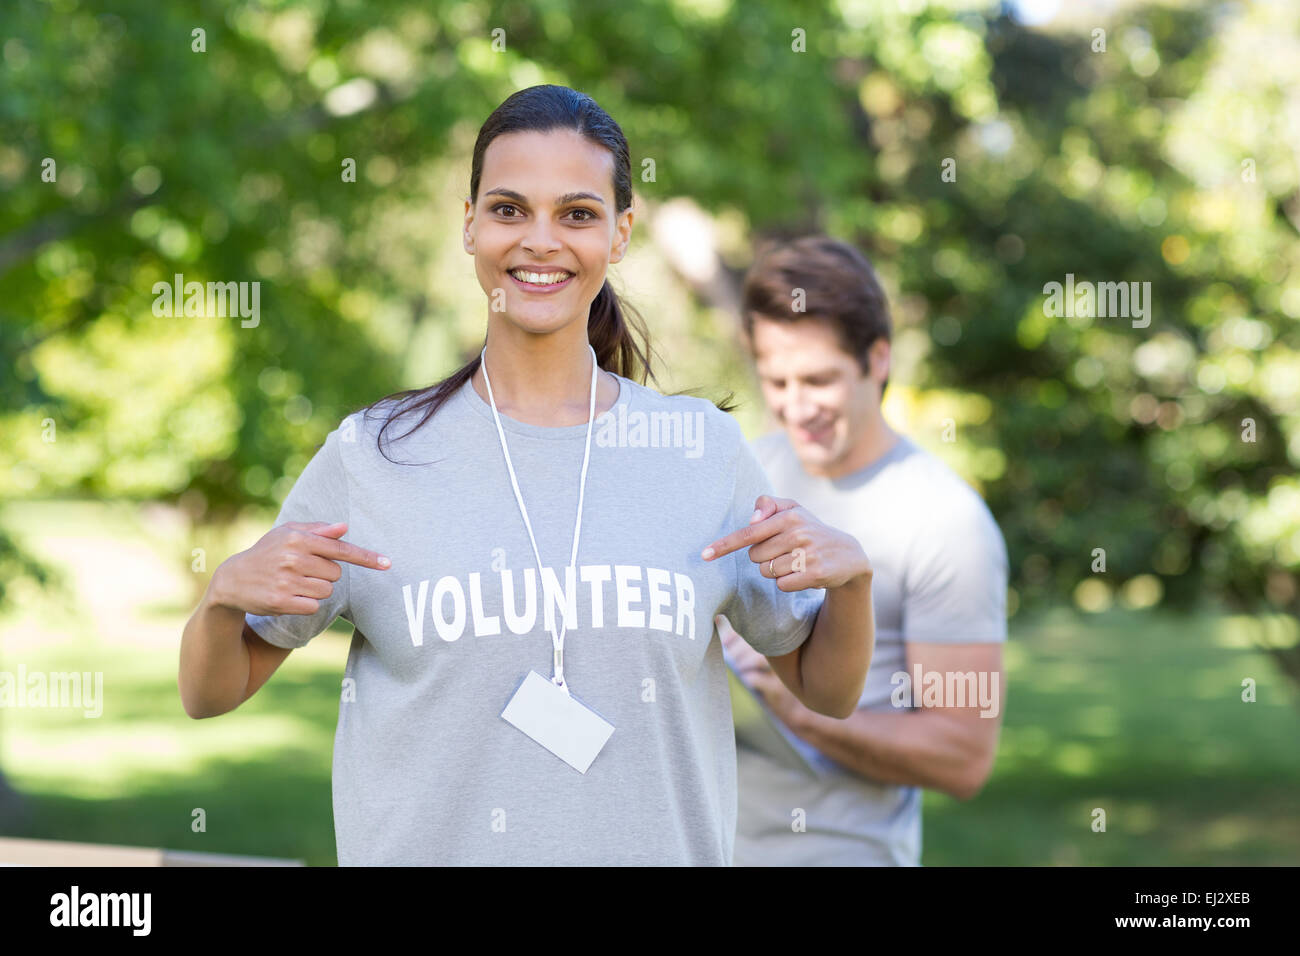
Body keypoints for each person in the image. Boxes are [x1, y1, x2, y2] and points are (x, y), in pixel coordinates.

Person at [177, 86, 875, 866]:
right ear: (469, 221)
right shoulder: (372, 455)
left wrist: (852, 588)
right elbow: (212, 693)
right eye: (509, 209)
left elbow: (828, 690)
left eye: (577, 213)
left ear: (620, 234)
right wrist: (219, 599)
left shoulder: (700, 450)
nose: (540, 241)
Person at [720, 235, 1008, 866]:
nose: (796, 407)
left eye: (819, 379)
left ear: (877, 360)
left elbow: (963, 756)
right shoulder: (743, 474)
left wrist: (788, 700)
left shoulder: (945, 521)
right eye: (777, 380)